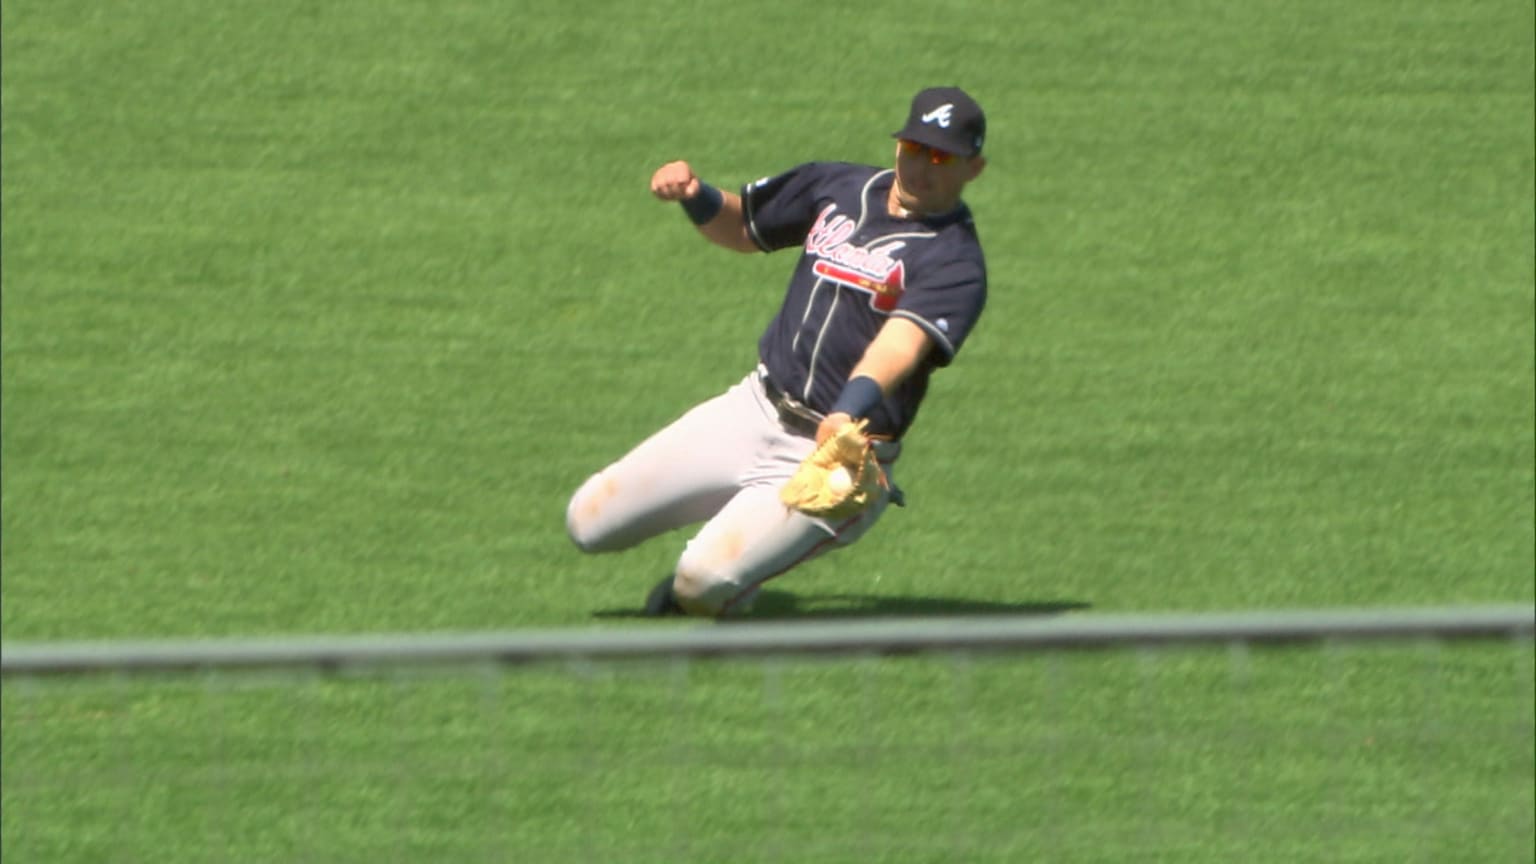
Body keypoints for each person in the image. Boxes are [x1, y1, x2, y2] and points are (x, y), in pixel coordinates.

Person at [566, 86, 989, 617]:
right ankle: (743, 523)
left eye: (941, 158)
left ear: (974, 168)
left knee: (700, 584)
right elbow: (744, 226)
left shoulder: (957, 263)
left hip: (837, 454)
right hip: (754, 408)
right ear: (897, 146)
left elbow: (900, 342)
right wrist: (694, 193)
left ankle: (716, 590)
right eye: (914, 149)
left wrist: (848, 408)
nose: (921, 167)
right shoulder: (839, 187)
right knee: (588, 522)